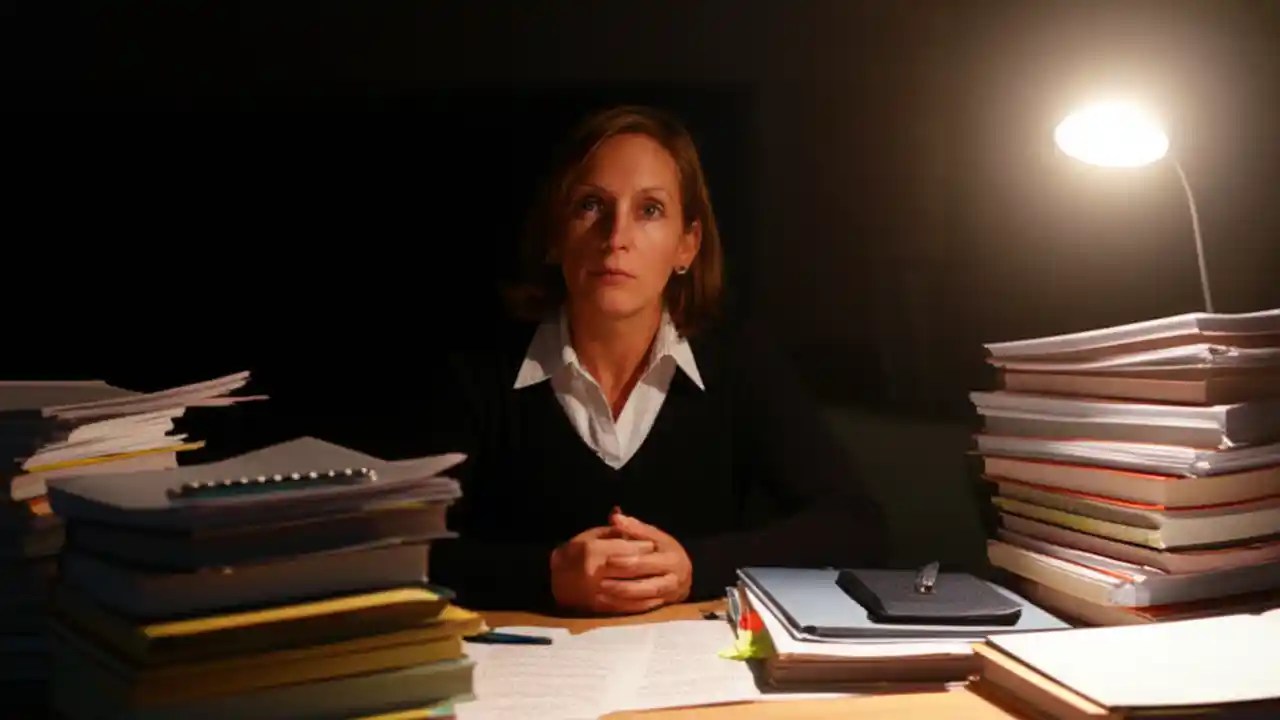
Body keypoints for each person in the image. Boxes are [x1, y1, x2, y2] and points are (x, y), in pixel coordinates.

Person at [424, 105, 889, 614]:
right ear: (556, 236)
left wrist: (697, 566)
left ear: (686, 245)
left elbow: (855, 526)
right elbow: (401, 555)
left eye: (650, 210)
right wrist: (547, 574)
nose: (615, 237)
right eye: (590, 206)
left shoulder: (736, 360)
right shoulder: (480, 369)